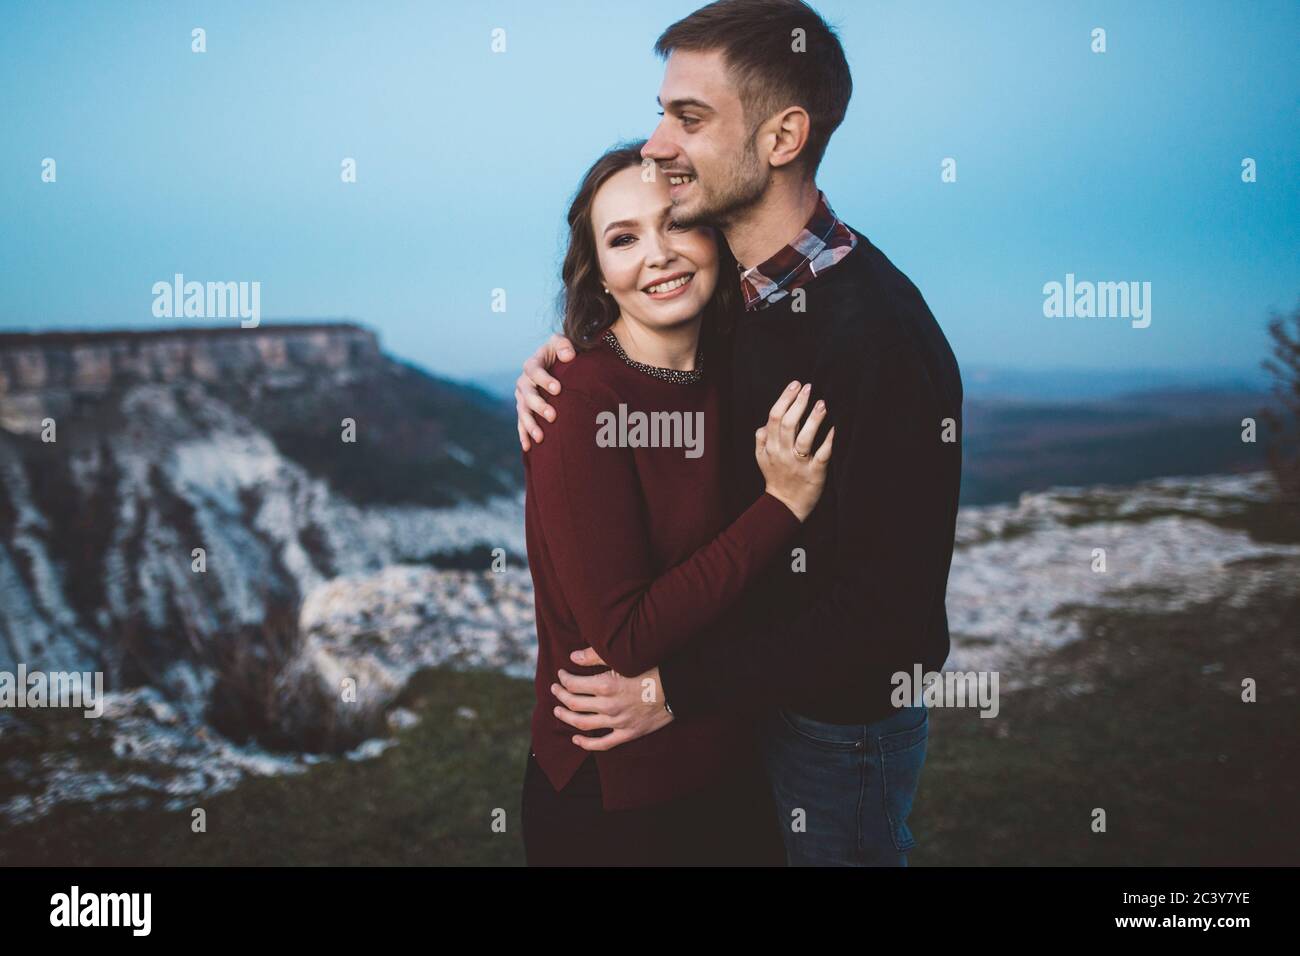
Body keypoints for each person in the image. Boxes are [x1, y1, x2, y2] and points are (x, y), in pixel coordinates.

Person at [516, 0, 963, 866]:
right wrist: (565, 362)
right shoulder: (741, 308)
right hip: (739, 726)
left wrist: (676, 690)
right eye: (660, 112)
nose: (657, 143)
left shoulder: (878, 337)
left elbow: (893, 618)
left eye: (688, 117)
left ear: (782, 137)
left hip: (840, 733)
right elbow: (641, 382)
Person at [520, 140, 834, 866]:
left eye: (677, 222)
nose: (657, 254)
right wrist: (781, 509)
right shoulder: (577, 403)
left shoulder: (737, 369)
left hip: (732, 763)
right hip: (618, 797)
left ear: (715, 230)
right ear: (598, 270)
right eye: (623, 239)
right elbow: (626, 637)